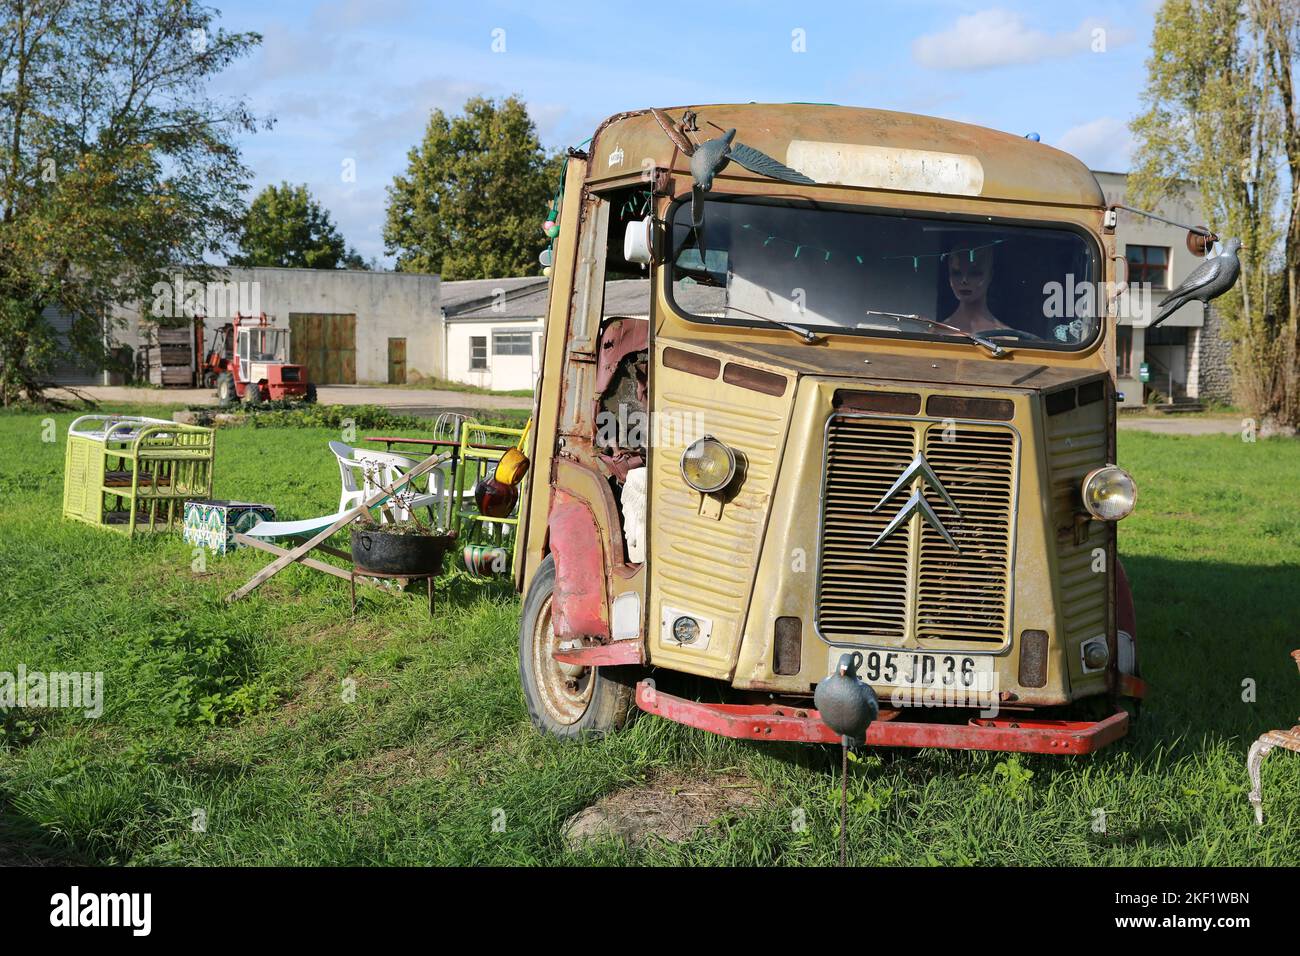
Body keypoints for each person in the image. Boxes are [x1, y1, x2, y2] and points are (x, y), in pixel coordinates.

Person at [943, 243, 1014, 334]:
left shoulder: (1008, 337)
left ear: (990, 275)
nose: (964, 280)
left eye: (974, 273)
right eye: (956, 273)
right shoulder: (934, 334)